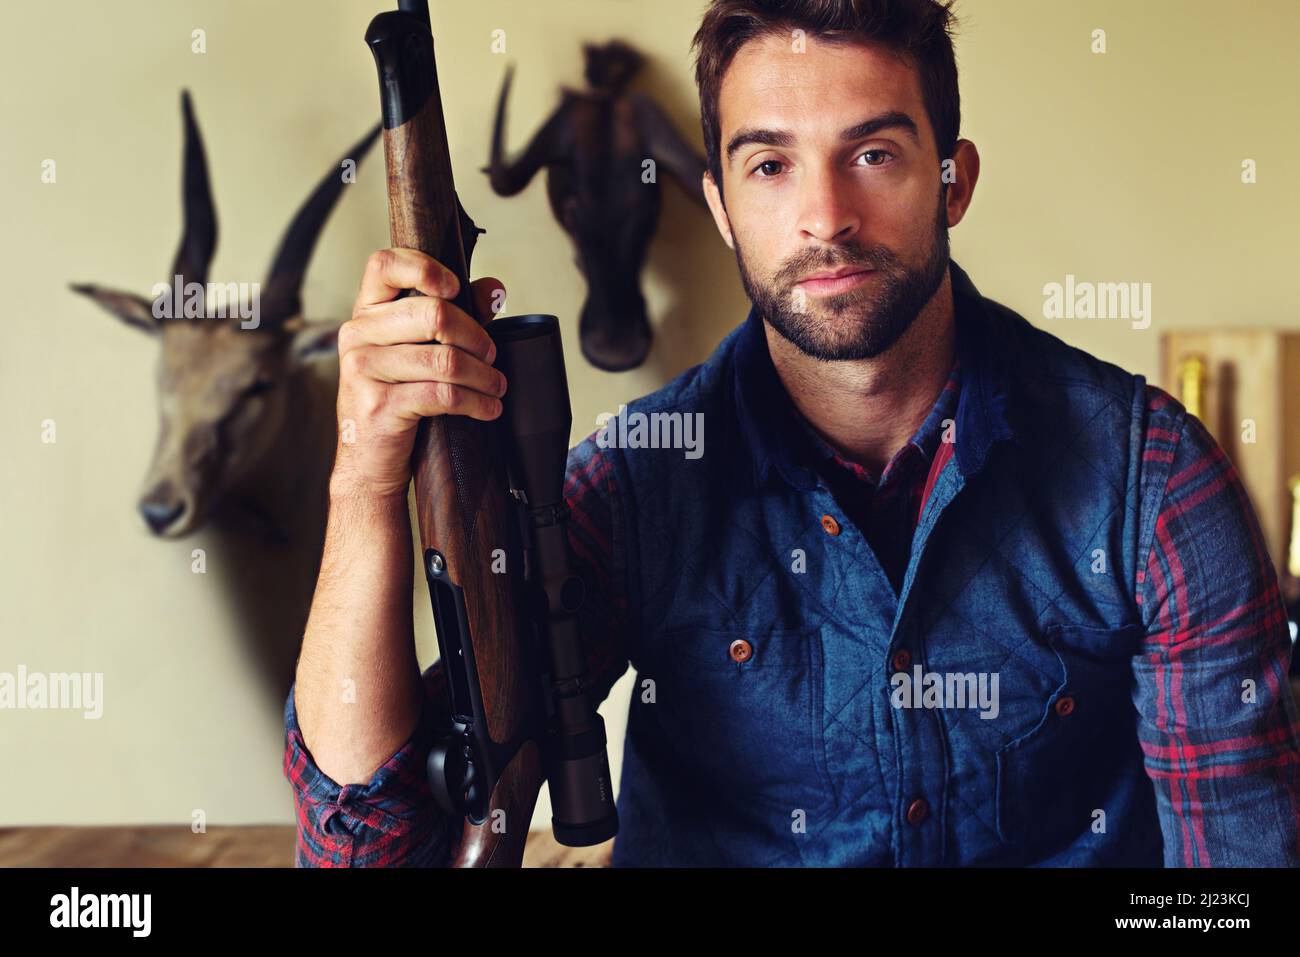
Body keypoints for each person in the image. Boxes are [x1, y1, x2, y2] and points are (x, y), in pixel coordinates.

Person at [284, 0, 1300, 866]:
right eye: (770, 166)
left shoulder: (1152, 478)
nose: (824, 215)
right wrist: (366, 482)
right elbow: (366, 848)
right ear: (722, 209)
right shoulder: (641, 486)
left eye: (872, 152)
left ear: (952, 179)